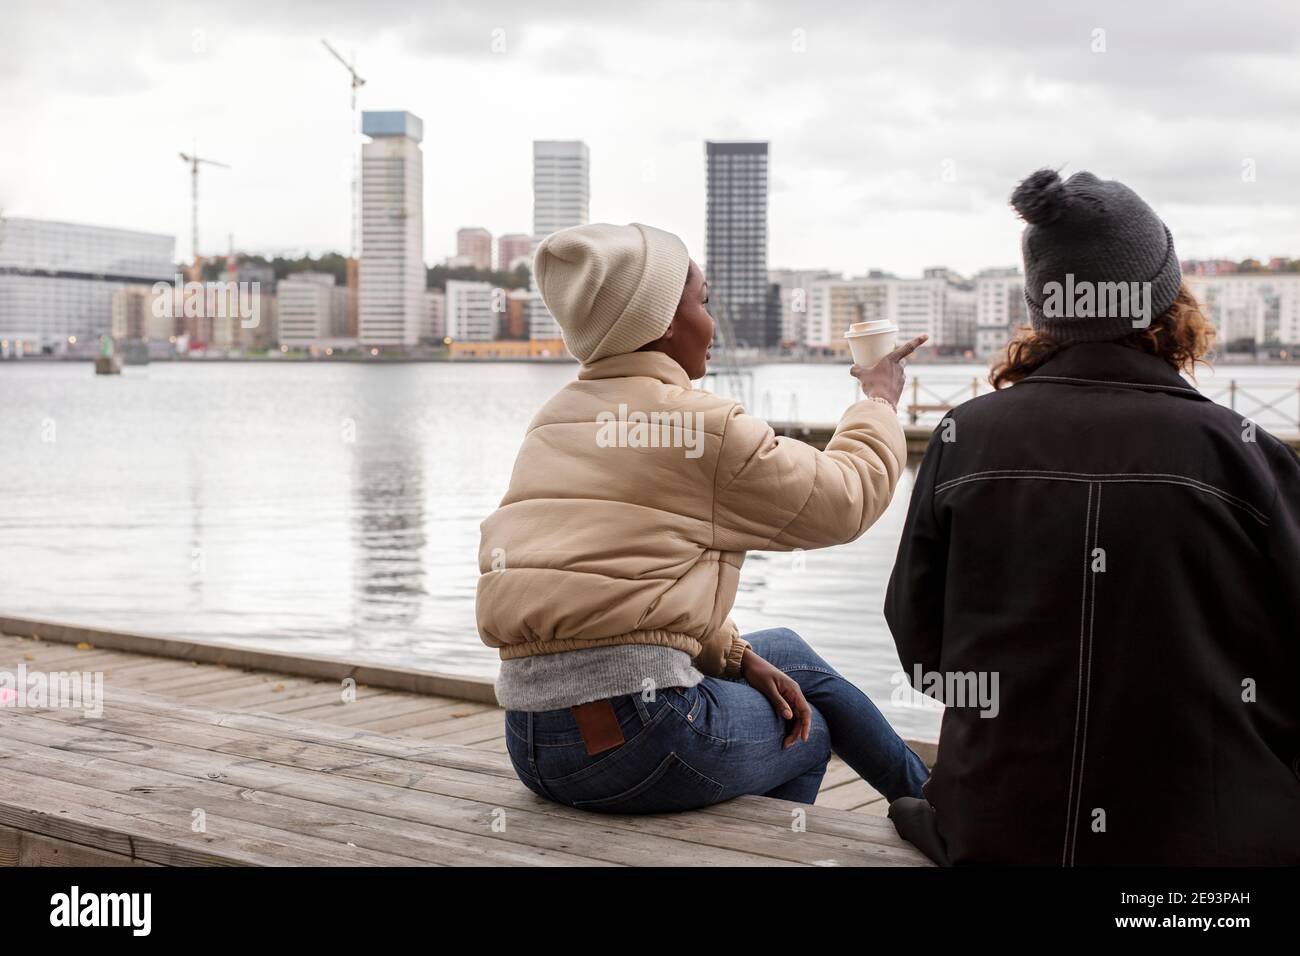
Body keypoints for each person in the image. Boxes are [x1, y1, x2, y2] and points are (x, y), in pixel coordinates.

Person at [885, 168, 1300, 865]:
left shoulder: (965, 437)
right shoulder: (1243, 454)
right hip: (1211, 841)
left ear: (1044, 308)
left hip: (998, 831)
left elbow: (922, 649)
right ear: (1167, 299)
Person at [476, 221, 930, 813]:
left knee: (783, 651)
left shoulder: (553, 421)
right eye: (703, 301)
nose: (711, 325)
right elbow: (845, 499)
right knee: (812, 728)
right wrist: (877, 402)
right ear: (663, 320)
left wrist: (737, 658)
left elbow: (605, 587)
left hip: (533, 744)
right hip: (638, 738)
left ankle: (936, 804)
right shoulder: (699, 428)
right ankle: (932, 819)